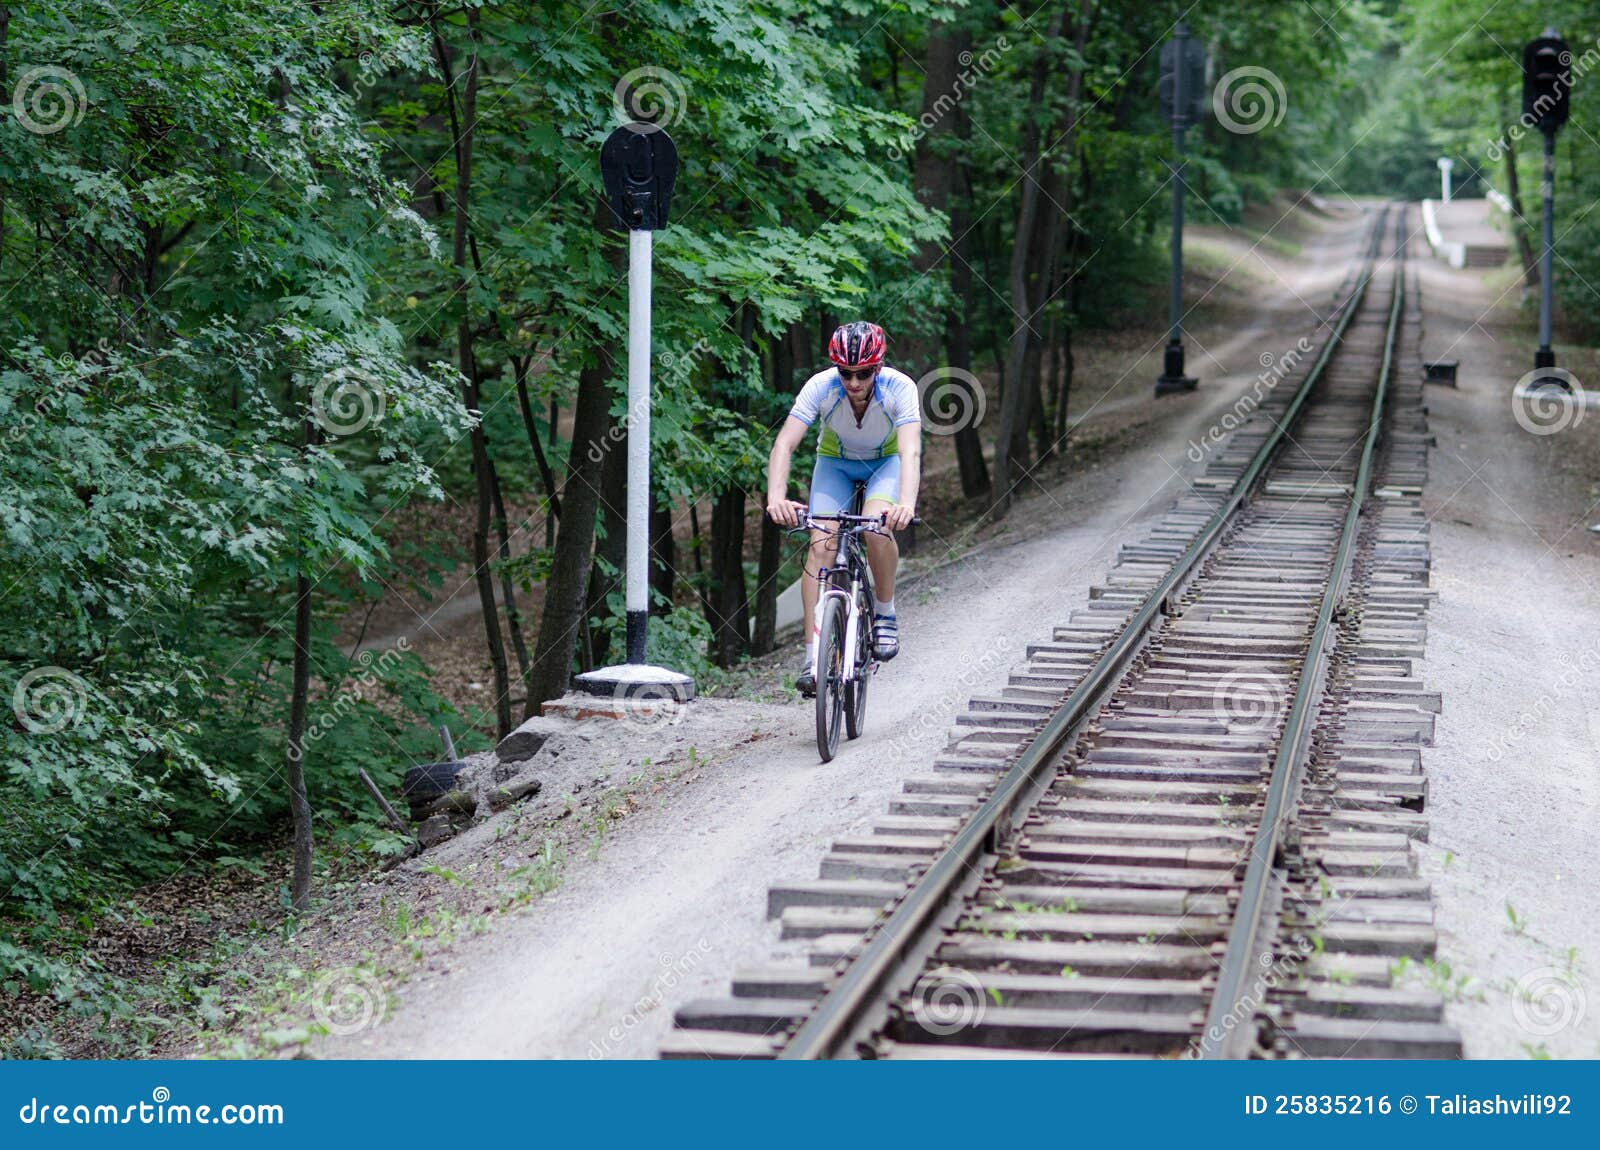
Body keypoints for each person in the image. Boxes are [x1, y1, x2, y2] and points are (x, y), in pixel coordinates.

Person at [766, 321, 921, 696]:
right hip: (834, 463)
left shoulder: (901, 388)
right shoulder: (820, 387)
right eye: (846, 373)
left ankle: (884, 613)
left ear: (878, 367)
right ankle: (811, 654)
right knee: (820, 545)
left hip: (884, 463)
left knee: (875, 528)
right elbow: (785, 444)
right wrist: (775, 497)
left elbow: (909, 450)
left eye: (863, 373)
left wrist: (905, 504)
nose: (854, 382)